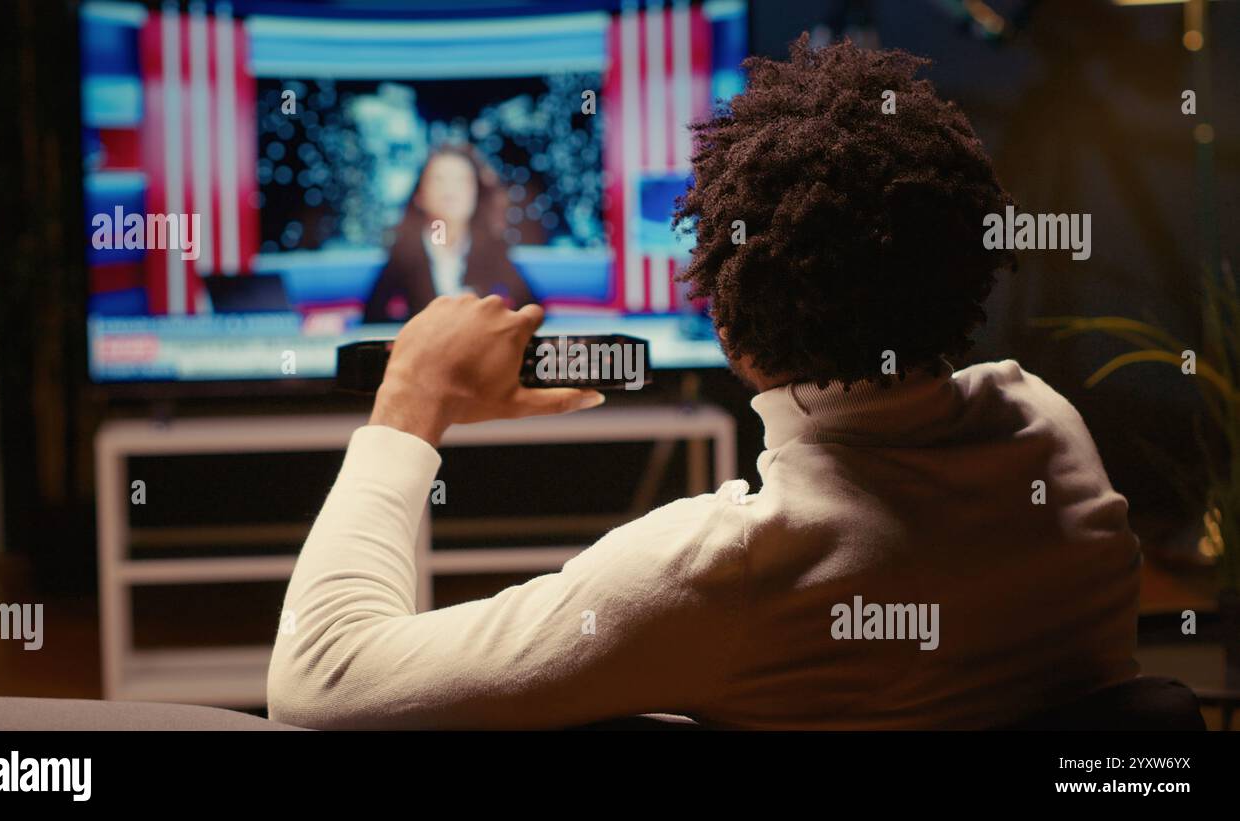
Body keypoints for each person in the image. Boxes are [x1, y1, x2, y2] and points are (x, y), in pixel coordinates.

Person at [268, 38, 1139, 729]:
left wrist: (410, 402)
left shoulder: (723, 572)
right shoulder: (1051, 432)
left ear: (724, 319)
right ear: (970, 270)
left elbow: (323, 677)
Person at [361, 144, 538, 323]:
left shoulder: (493, 246)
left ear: (476, 193)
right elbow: (373, 320)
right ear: (419, 195)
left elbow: (530, 311)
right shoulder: (404, 251)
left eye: (461, 180)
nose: (450, 190)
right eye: (439, 180)